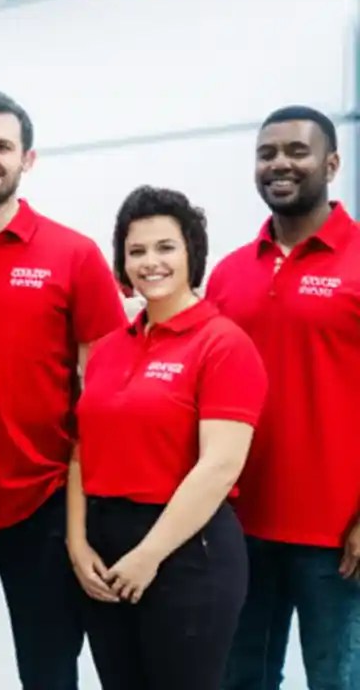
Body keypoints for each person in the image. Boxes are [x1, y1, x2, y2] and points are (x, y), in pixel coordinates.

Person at [0, 90, 127, 690]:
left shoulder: (74, 255)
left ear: (28, 159)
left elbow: (107, 382)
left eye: (0, 146)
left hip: (43, 503)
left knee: (48, 670)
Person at [69, 186, 265, 689]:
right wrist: (77, 542)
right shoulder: (110, 348)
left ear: (192, 253)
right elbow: (82, 448)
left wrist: (148, 555)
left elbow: (219, 466)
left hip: (186, 553)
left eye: (165, 248)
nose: (149, 262)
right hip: (105, 550)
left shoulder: (223, 343)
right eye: (136, 251)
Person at [207, 106, 360, 690]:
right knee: (240, 680)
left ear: (331, 163)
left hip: (336, 538)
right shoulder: (227, 275)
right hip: (239, 528)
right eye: (267, 153)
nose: (280, 164)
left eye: (297, 151)